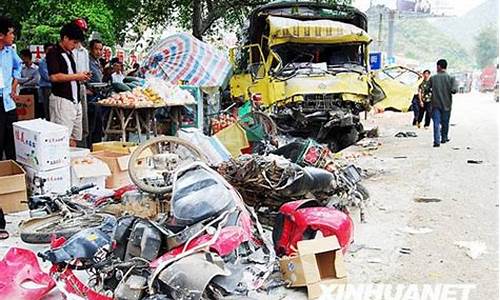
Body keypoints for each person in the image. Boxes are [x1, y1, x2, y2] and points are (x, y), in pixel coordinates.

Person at [46, 22, 90, 147]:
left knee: (74, 137)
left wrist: (81, 76)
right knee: (61, 138)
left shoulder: (69, 54)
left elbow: (69, 74)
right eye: (74, 42)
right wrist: (77, 76)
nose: (75, 46)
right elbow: (54, 76)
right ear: (65, 38)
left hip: (75, 100)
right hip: (62, 100)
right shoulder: (53, 53)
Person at [0, 16, 22, 160]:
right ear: (1, 35)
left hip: (8, 101)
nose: (13, 36)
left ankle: (13, 173)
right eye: (11, 33)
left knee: (12, 141)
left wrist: (14, 85)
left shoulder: (10, 52)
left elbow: (18, 66)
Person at [429, 59, 457, 147]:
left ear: (439, 66)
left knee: (436, 123)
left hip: (435, 104)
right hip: (447, 104)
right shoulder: (451, 78)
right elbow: (454, 90)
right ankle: (444, 138)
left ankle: (436, 141)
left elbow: (427, 88)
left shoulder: (433, 78)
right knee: (445, 122)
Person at [18, 48, 40, 117]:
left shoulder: (36, 68)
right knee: (23, 110)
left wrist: (24, 83)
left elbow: (36, 81)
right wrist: (28, 79)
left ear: (27, 57)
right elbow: (18, 79)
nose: (21, 59)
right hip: (23, 91)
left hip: (33, 90)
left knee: (34, 110)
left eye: (22, 57)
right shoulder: (21, 68)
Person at [38, 43, 54, 119]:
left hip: (55, 87)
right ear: (45, 51)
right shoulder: (42, 62)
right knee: (47, 108)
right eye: (49, 50)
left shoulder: (55, 61)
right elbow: (47, 77)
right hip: (47, 88)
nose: (51, 52)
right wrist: (58, 77)